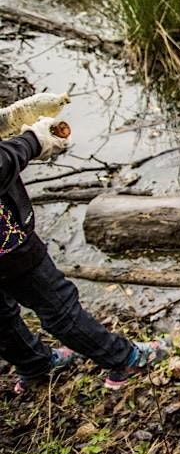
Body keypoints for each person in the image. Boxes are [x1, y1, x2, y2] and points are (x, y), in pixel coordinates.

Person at [1, 111, 171, 394]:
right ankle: (124, 358)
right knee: (56, 302)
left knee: (1, 313)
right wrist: (33, 141)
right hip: (6, 240)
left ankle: (34, 364)